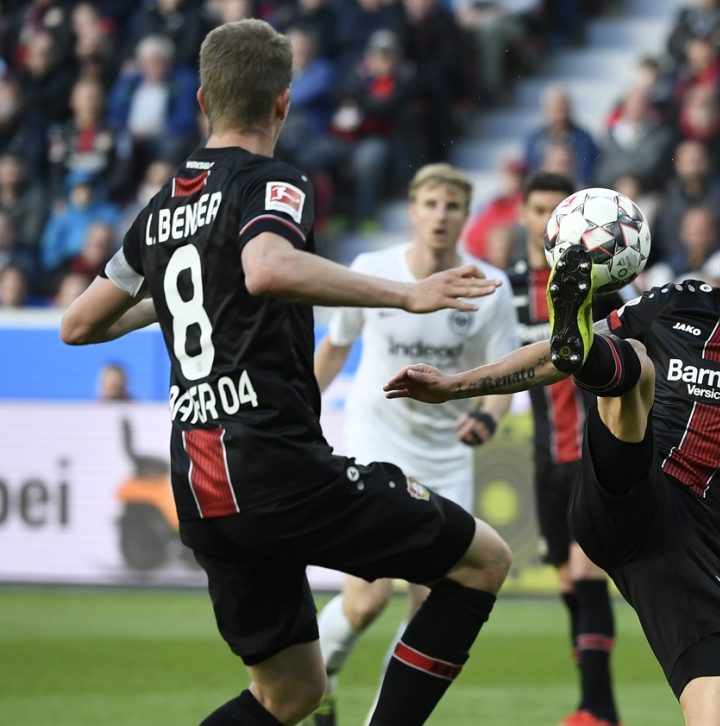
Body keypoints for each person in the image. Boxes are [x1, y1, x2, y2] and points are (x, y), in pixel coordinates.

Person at [59, 19, 511, 726]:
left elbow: (78, 324)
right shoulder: (274, 181)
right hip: (273, 464)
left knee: (292, 693)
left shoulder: (160, 210)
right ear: (283, 104)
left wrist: (193, 292)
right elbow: (267, 267)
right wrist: (406, 292)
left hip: (200, 481)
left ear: (204, 101)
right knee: (483, 560)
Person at [384, 170, 720, 724]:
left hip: (693, 547)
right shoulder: (675, 305)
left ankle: (589, 347)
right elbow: (550, 358)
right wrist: (458, 385)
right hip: (628, 486)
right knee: (633, 366)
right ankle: (585, 340)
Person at [310, 162, 518, 725]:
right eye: (431, 204)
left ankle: (385, 718)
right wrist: (301, 406)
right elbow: (334, 346)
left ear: (465, 217)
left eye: (452, 207)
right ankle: (318, 675)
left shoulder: (487, 287)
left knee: (430, 605)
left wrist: (487, 420)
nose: (441, 216)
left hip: (447, 460)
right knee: (367, 599)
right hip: (375, 447)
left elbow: (504, 376)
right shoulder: (373, 272)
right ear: (413, 210)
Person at [506, 171, 625, 726]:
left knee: (586, 571)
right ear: (525, 217)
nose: (547, 221)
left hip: (590, 455)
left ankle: (596, 709)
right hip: (544, 458)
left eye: (559, 210)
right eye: (538, 210)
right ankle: (597, 704)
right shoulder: (505, 288)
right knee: (566, 579)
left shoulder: (607, 288)